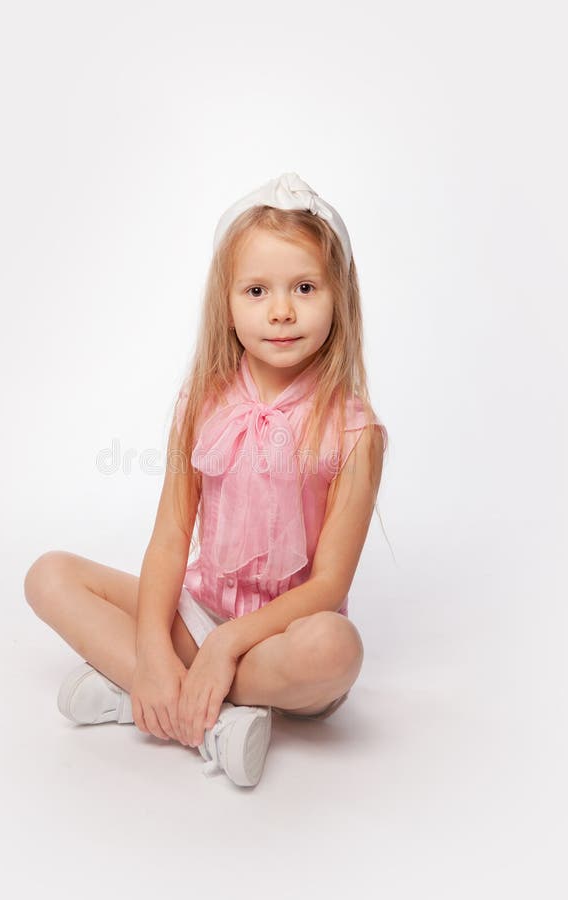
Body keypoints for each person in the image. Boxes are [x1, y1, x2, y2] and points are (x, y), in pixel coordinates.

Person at [24, 172, 389, 789]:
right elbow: (170, 536)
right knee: (48, 575)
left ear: (340, 296)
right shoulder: (202, 401)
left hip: (279, 642)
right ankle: (200, 714)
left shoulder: (356, 432)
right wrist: (159, 646)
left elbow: (329, 584)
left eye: (304, 287)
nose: (280, 310)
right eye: (256, 290)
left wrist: (226, 648)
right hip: (198, 613)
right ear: (226, 300)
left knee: (336, 650)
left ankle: (146, 693)